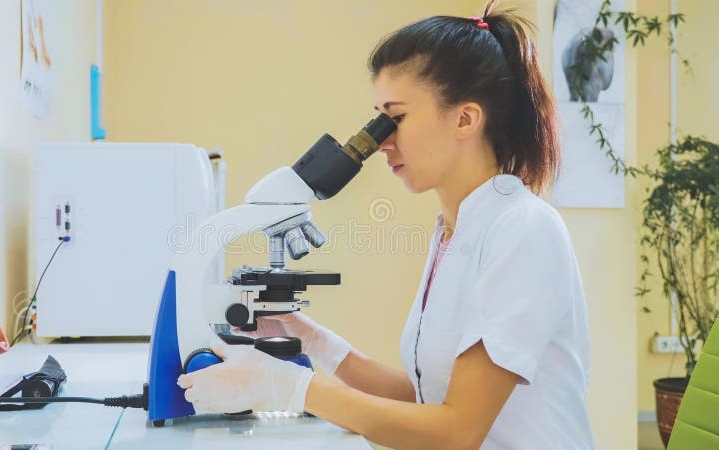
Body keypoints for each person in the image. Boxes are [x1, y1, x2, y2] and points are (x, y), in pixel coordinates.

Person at [178, 1, 594, 448]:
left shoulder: (524, 229)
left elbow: (457, 431)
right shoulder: (453, 231)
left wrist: (289, 387)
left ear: (465, 119)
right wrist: (317, 342)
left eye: (394, 119)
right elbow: (424, 402)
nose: (381, 142)